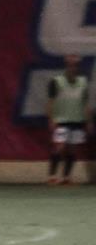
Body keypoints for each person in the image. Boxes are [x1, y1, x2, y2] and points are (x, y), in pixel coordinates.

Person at [43, 54, 91, 185]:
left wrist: (88, 121)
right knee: (60, 147)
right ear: (66, 66)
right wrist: (51, 119)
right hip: (61, 120)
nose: (73, 68)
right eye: (71, 65)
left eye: (75, 65)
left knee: (72, 149)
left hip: (77, 120)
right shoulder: (57, 81)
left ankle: (66, 177)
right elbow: (50, 102)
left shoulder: (83, 82)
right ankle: (52, 176)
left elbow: (85, 103)